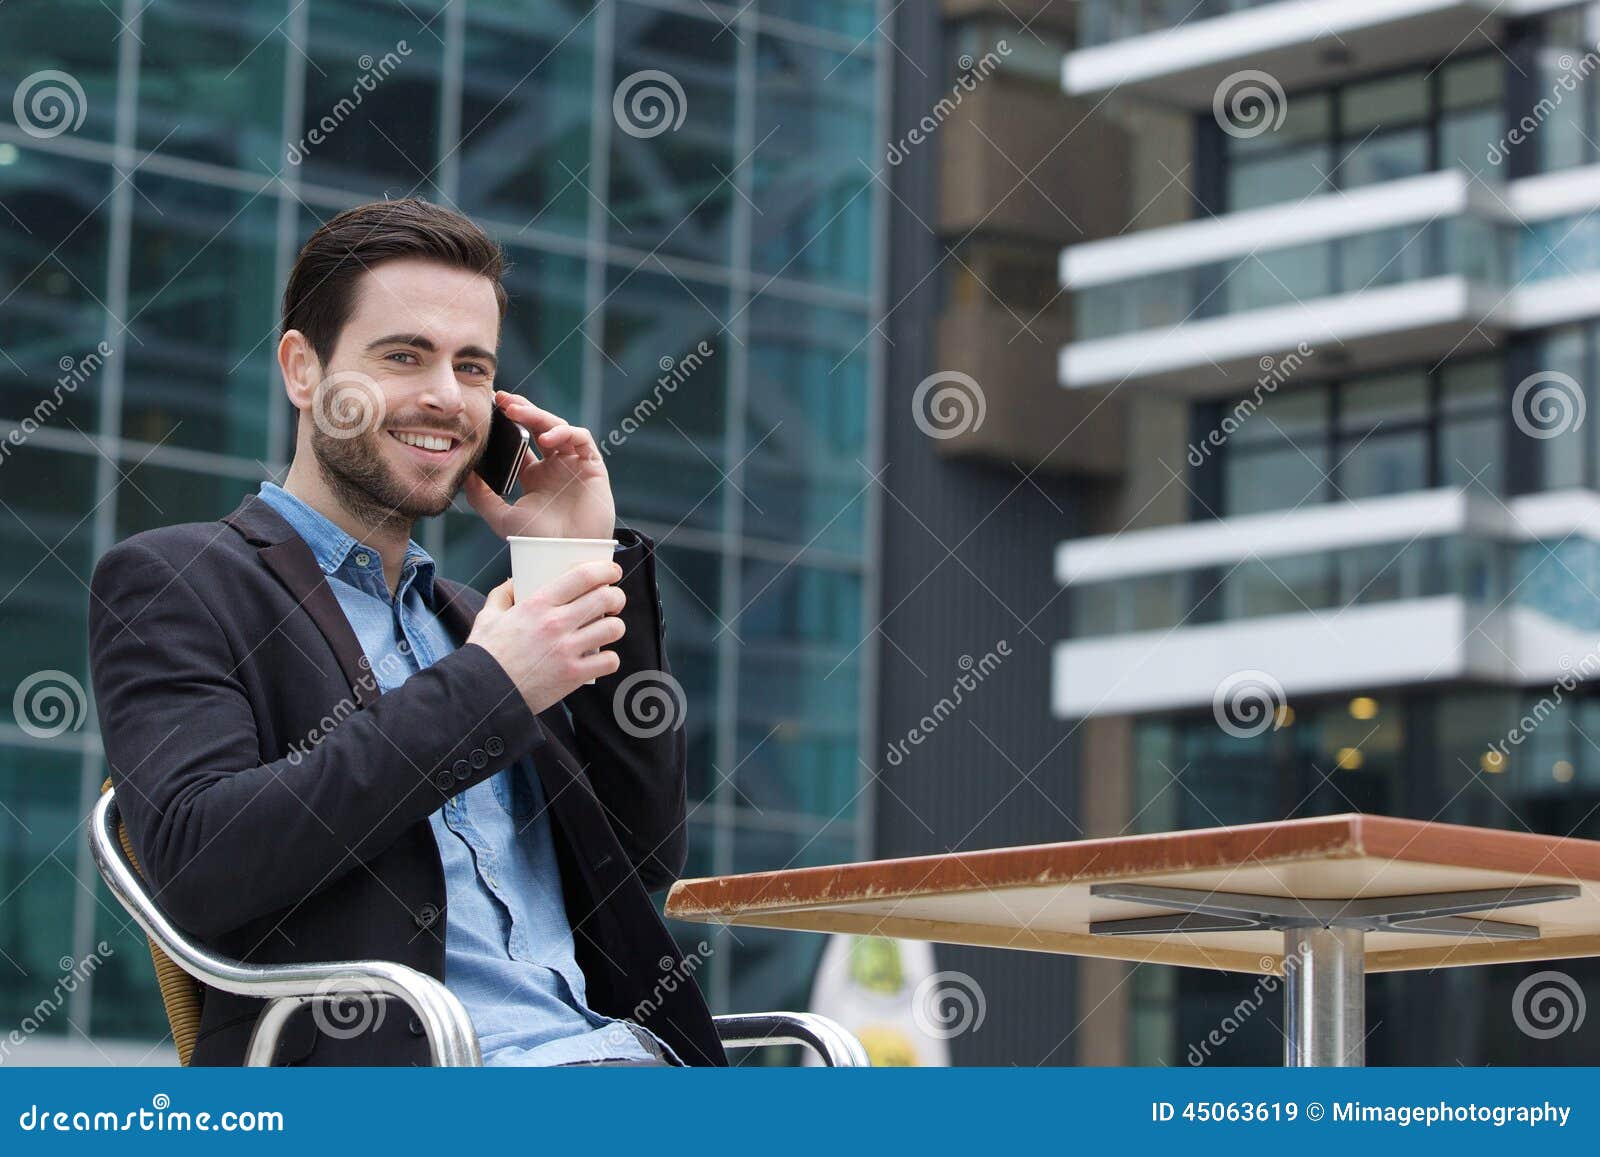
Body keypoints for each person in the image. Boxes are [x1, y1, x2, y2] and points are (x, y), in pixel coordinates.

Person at [87, 198, 725, 1067]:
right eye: (403, 356)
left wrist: (573, 560)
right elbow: (203, 863)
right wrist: (491, 686)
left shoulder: (472, 616)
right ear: (302, 370)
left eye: (472, 367)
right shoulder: (181, 580)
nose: (444, 396)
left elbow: (642, 851)